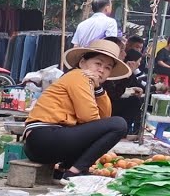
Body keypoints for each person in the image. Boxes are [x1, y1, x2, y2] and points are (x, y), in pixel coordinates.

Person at [23, 39, 130, 180]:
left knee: (111, 126)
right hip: (43, 137)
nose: (101, 70)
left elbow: (103, 119)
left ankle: (65, 168)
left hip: (41, 143)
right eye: (98, 63)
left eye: (108, 67)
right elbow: (90, 118)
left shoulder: (90, 84)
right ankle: (75, 171)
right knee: (119, 124)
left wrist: (99, 90)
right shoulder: (79, 76)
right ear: (82, 63)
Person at [108, 48, 147, 134]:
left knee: (137, 99)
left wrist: (130, 89)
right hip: (107, 105)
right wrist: (128, 74)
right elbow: (114, 94)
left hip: (110, 100)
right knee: (134, 101)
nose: (124, 54)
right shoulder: (116, 69)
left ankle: (133, 130)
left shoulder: (121, 68)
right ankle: (124, 132)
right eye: (122, 50)